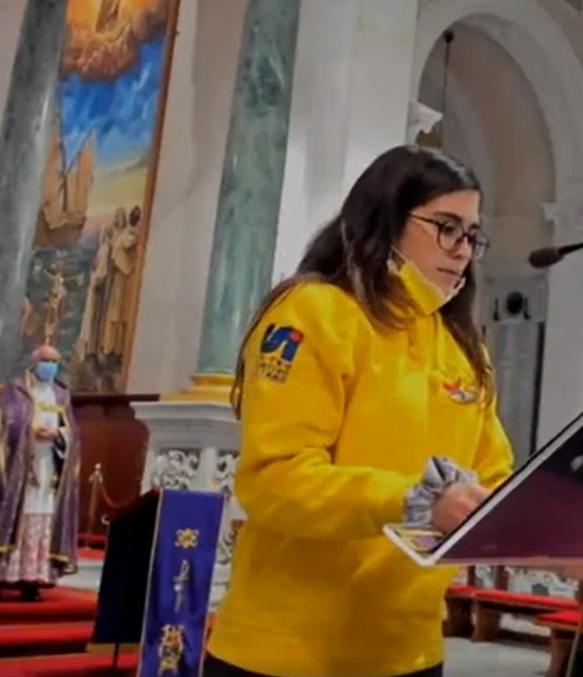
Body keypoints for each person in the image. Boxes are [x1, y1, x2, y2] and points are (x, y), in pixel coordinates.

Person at [204, 146, 515, 677]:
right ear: (385, 218)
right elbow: (276, 479)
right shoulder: (316, 312)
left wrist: (550, 530)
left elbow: (493, 475)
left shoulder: (463, 345)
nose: (462, 250)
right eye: (446, 226)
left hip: (410, 649)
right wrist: (413, 500)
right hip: (291, 651)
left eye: (471, 234)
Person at [0, 344, 82, 601]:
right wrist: (28, 431)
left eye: (55, 361)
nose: (50, 366)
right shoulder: (14, 392)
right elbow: (0, 425)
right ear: (34, 363)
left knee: (41, 519)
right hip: (14, 471)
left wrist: (59, 435)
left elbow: (73, 432)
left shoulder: (61, 395)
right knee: (13, 516)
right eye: (46, 360)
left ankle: (32, 580)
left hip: (49, 467)